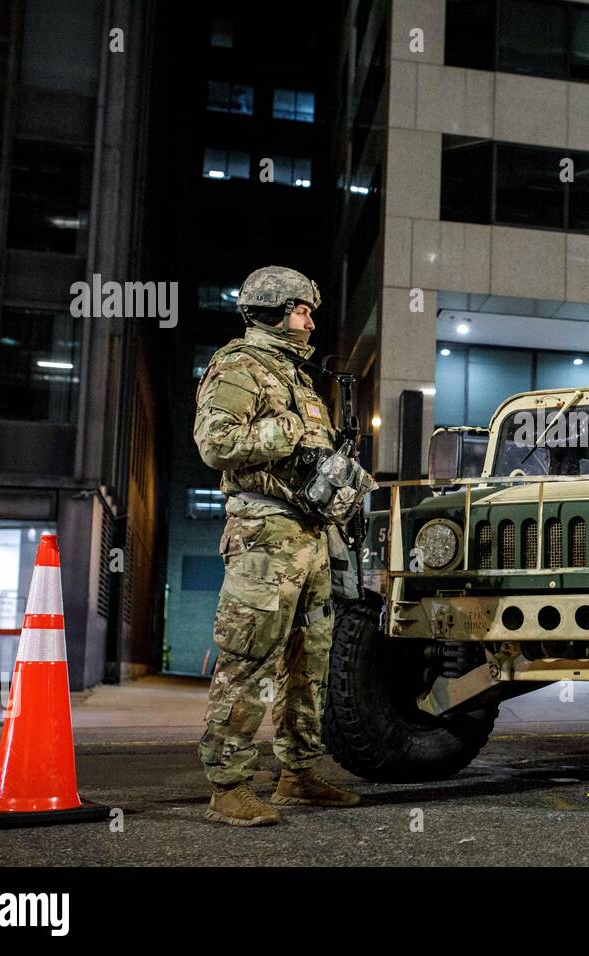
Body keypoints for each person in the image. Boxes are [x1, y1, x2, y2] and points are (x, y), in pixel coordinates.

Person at [194, 265, 370, 825]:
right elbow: (215, 444)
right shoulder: (239, 366)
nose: (310, 319)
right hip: (265, 534)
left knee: (309, 660)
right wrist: (286, 433)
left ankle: (297, 774)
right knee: (250, 657)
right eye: (301, 309)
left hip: (310, 533)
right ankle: (228, 786)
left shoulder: (298, 379)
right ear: (272, 312)